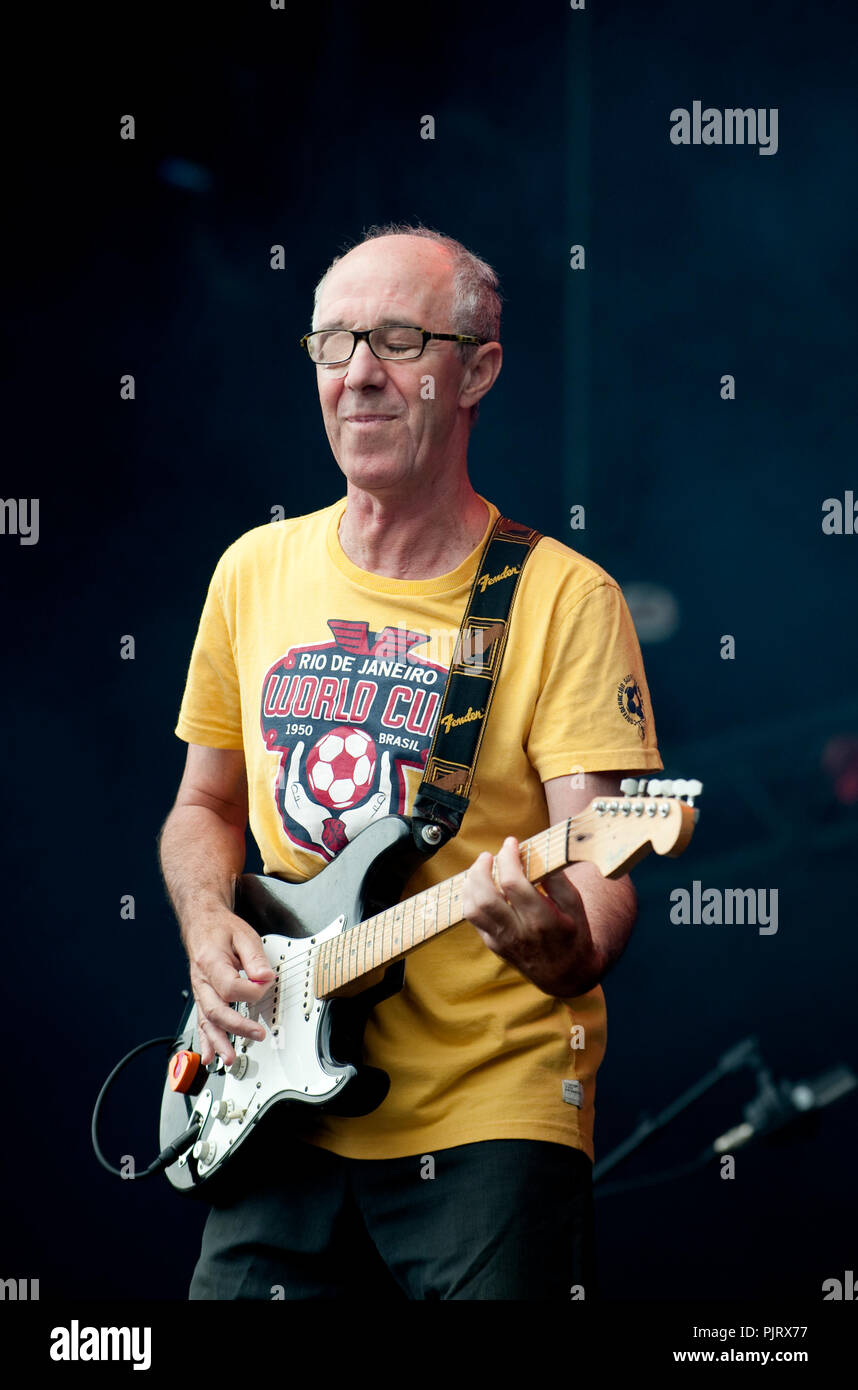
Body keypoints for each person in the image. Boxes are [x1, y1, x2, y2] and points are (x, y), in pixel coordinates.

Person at [158, 223, 663, 1301]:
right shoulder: (253, 569)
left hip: (488, 1115)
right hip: (273, 1095)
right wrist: (208, 927)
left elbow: (599, 877)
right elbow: (204, 801)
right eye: (333, 343)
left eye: (397, 339)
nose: (358, 376)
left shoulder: (562, 597)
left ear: (478, 369)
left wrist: (560, 937)